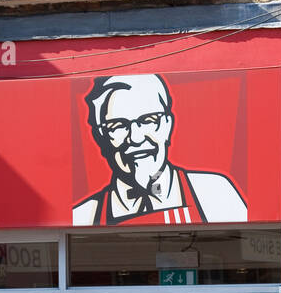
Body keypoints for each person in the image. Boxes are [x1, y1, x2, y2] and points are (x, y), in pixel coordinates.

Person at [72, 74, 249, 227]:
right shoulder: (85, 214)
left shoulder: (213, 192)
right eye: (118, 125)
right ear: (101, 136)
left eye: (148, 120)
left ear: (167, 125)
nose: (136, 138)